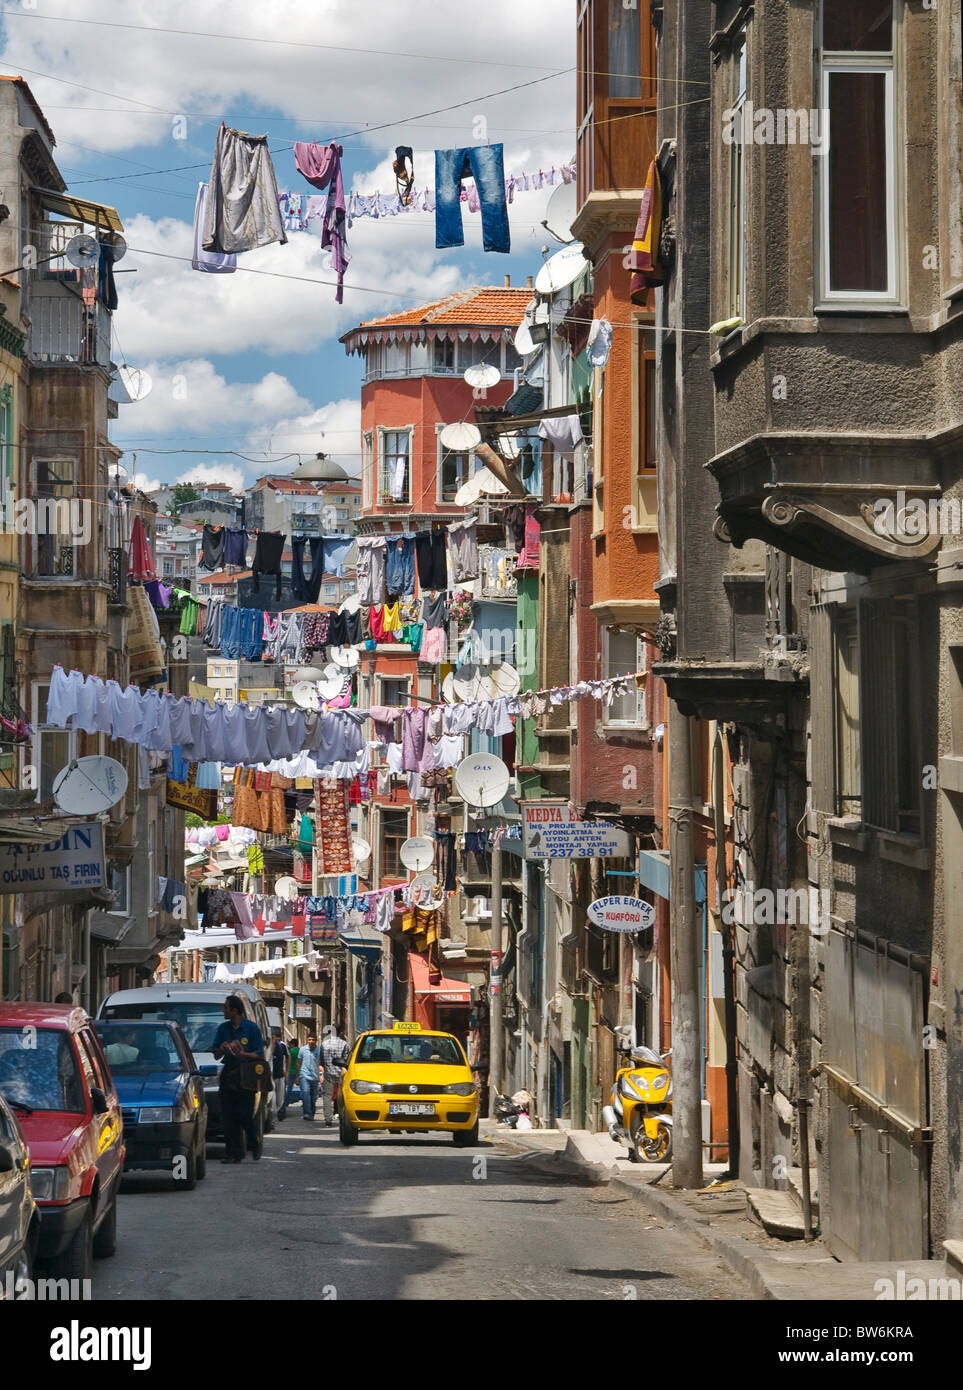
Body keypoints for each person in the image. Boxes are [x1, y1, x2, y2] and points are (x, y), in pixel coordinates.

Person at [212, 995, 265, 1163]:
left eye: (226, 1008)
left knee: (244, 1115)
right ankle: (232, 1153)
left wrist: (242, 1053)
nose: (223, 1011)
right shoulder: (223, 1029)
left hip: (247, 1075)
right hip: (229, 1074)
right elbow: (215, 1054)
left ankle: (253, 1143)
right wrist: (222, 1048)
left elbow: (259, 1054)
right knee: (228, 1117)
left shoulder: (251, 1029)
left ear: (235, 1010)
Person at [321, 1025, 350, 1126]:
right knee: (341, 1096)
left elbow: (321, 1060)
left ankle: (328, 1120)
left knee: (327, 1097)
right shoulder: (344, 1044)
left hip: (328, 1074)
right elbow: (347, 1060)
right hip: (340, 1074)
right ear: (340, 1033)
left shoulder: (324, 1044)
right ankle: (341, 1116)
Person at [296, 1032, 321, 1121]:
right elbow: (298, 1062)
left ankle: (312, 1113)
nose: (311, 1041)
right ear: (307, 1040)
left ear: (316, 1041)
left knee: (313, 1097)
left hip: (315, 1077)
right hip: (304, 1075)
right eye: (309, 1040)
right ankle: (307, 1113)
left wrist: (322, 1075)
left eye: (313, 1040)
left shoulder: (319, 1050)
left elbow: (321, 1063)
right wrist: (297, 1076)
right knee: (306, 1093)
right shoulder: (302, 1049)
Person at [271, 1027, 289, 1120]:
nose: (275, 1039)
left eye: (277, 1037)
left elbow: (288, 1057)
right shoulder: (267, 1047)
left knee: (280, 1100)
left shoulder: (282, 1046)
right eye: (273, 1037)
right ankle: (272, 1119)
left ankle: (279, 1113)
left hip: (280, 1076)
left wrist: (286, 1072)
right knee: (272, 1100)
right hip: (270, 1078)